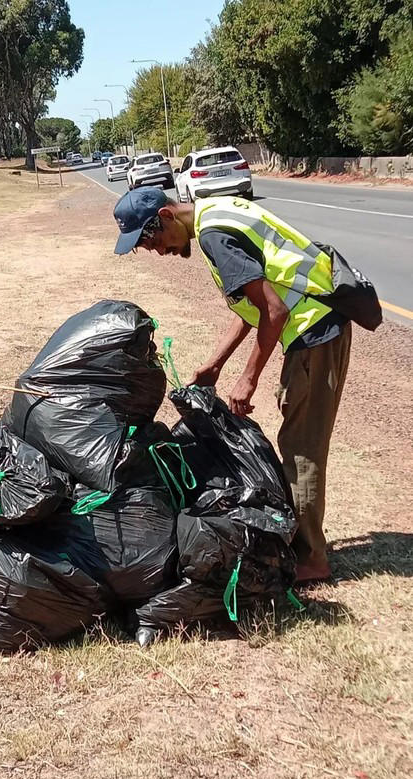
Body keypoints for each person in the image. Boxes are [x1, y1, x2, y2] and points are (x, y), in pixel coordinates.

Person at [112, 187, 352, 583]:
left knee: (301, 446)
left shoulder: (214, 237)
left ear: (167, 216)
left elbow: (273, 310)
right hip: (318, 323)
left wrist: (248, 379)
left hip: (315, 330)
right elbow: (252, 306)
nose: (157, 251)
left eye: (152, 240)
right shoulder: (216, 211)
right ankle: (303, 545)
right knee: (298, 440)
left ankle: (311, 558)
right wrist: (215, 365)